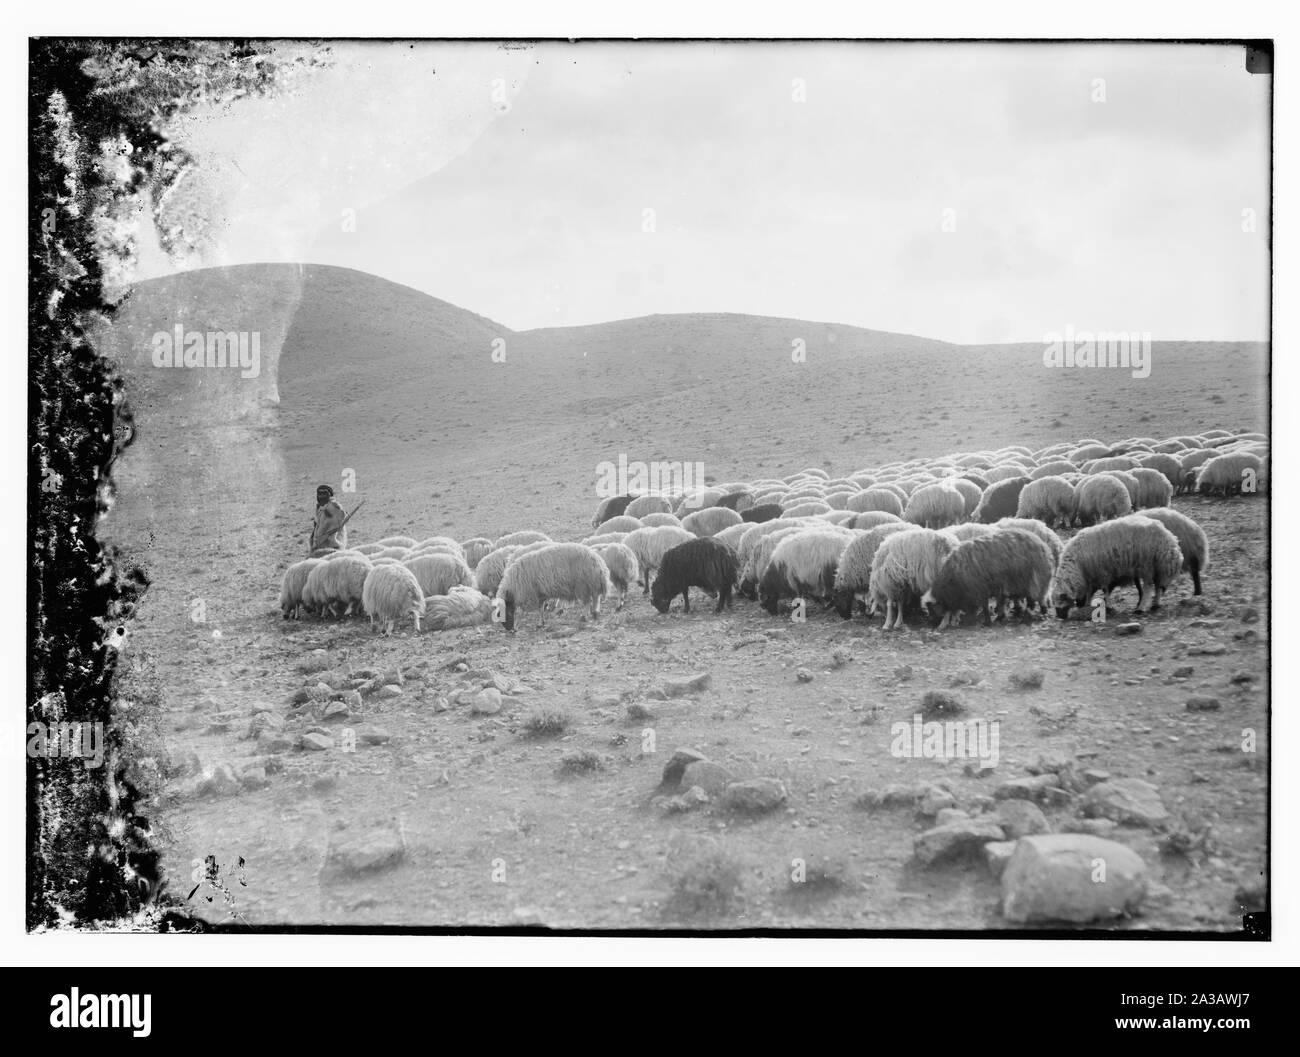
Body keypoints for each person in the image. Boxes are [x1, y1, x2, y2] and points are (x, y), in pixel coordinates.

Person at [310, 485, 348, 555]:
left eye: (324, 494)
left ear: (329, 495)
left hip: (333, 547)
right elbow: (317, 526)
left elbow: (339, 521)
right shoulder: (320, 508)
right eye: (319, 494)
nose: (321, 496)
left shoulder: (334, 507)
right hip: (320, 546)